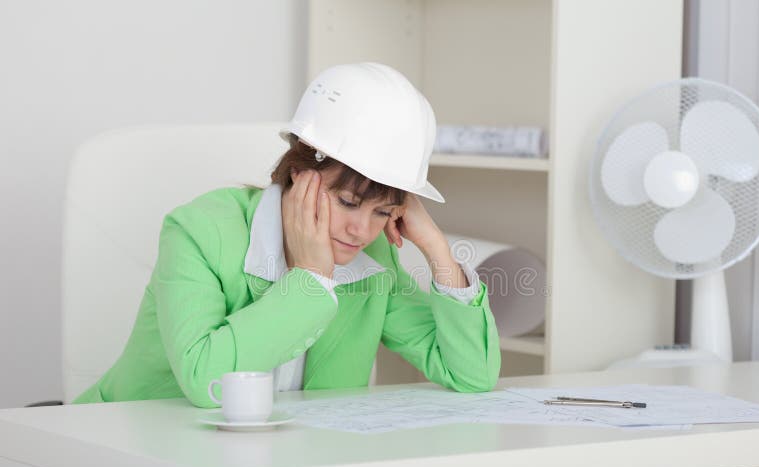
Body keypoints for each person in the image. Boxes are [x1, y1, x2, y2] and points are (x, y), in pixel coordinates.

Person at [73, 62, 501, 407]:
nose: (361, 230)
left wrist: (436, 248)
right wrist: (312, 279)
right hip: (128, 456)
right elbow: (209, 382)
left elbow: (472, 374)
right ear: (299, 174)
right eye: (349, 202)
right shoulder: (198, 231)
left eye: (384, 212)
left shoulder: (373, 261)